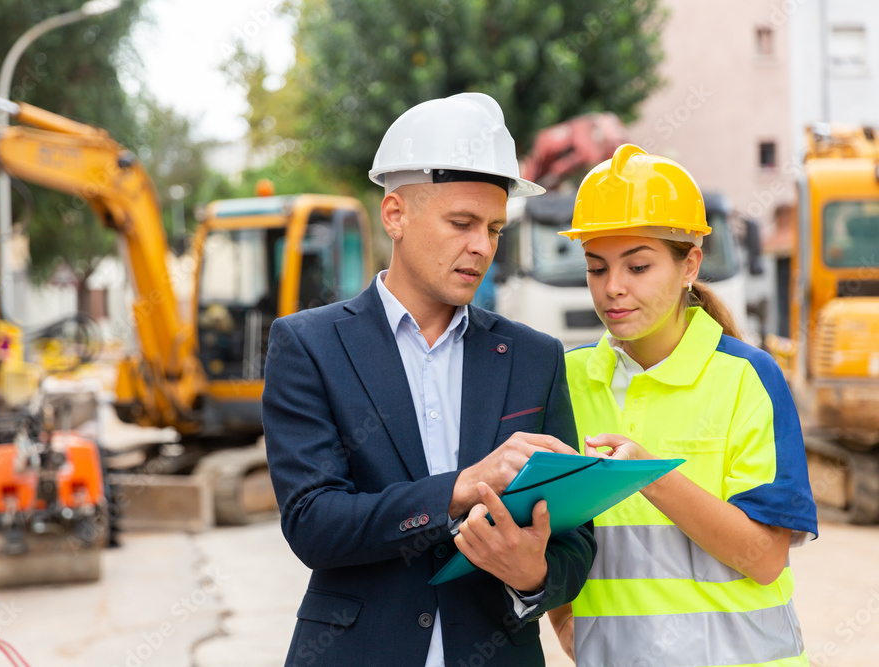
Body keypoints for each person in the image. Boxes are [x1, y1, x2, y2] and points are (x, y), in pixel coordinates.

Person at [262, 93, 597, 667]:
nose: (481, 247)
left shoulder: (534, 357)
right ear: (395, 214)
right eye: (461, 223)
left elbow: (576, 541)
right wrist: (460, 488)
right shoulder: (309, 346)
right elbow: (313, 523)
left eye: (494, 228)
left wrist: (533, 574)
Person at [542, 144, 818, 666]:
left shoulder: (747, 377)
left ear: (689, 263)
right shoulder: (567, 381)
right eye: (596, 268)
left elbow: (764, 559)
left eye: (638, 266)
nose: (613, 288)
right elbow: (551, 533)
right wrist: (565, 623)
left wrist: (649, 476)